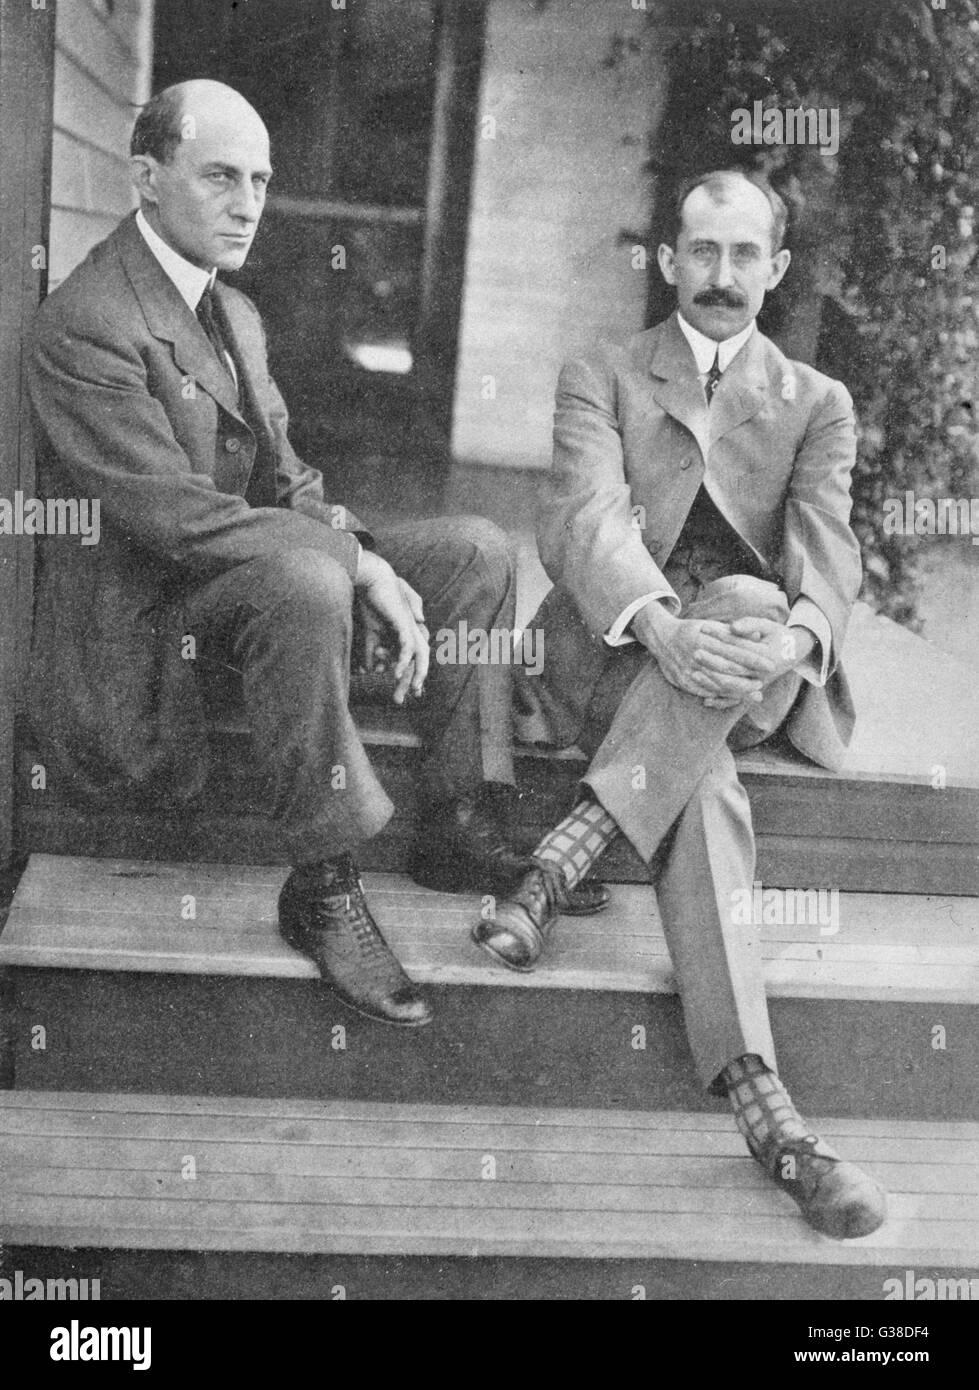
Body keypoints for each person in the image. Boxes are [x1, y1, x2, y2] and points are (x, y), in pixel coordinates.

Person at [26, 79, 538, 1030]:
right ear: (145, 177)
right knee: (310, 575)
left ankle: (456, 822)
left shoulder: (236, 313)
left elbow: (288, 480)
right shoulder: (86, 321)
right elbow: (174, 520)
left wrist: (351, 543)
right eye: (221, 176)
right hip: (146, 637)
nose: (249, 202)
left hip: (244, 594)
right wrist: (354, 562)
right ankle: (325, 883)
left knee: (475, 548)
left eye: (260, 179)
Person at [475, 169, 887, 1239]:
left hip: (749, 671)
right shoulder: (602, 373)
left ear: (776, 269)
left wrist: (790, 636)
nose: (721, 276)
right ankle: (770, 1111)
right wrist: (663, 626)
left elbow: (829, 559)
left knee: (758, 597)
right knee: (699, 782)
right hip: (617, 653)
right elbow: (583, 522)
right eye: (700, 252)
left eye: (745, 254)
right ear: (666, 262)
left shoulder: (816, 403)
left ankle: (565, 852)